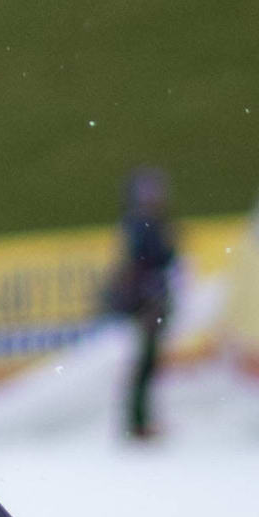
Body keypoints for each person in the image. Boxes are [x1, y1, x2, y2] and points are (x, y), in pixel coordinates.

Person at [108, 166, 179, 440]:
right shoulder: (142, 224)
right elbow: (143, 264)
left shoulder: (146, 223)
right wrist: (150, 301)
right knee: (145, 364)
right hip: (148, 301)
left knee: (146, 364)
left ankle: (138, 421)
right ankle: (137, 423)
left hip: (150, 299)